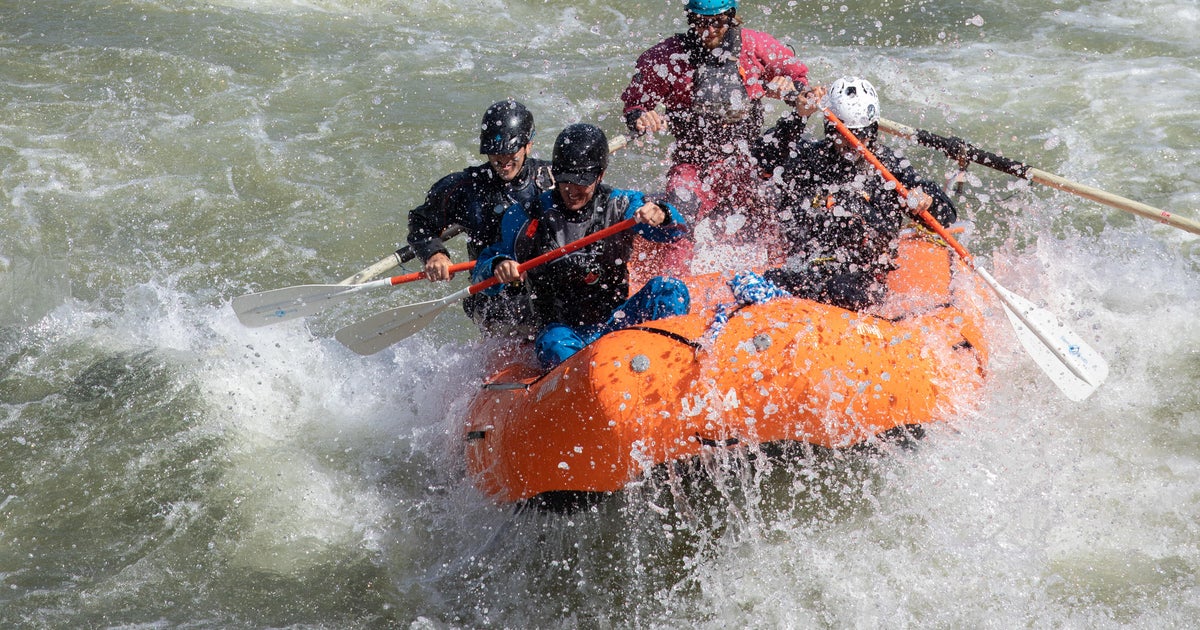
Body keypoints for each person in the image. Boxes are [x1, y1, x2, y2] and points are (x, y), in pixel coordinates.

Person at [474, 124, 691, 369]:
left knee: (669, 289)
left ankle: (670, 366)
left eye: (581, 181)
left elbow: (675, 233)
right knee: (554, 343)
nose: (571, 189)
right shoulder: (526, 215)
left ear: (600, 175)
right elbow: (484, 269)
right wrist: (499, 265)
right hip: (563, 333)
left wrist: (662, 214)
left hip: (617, 320)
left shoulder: (622, 204)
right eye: (565, 178)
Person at [620, 0, 821, 246]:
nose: (709, 30)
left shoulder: (755, 46)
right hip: (692, 163)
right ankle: (674, 275)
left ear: (731, 17)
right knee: (680, 212)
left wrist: (798, 92)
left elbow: (799, 78)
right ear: (690, 19)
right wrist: (640, 116)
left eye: (717, 22)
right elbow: (635, 102)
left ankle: (777, 267)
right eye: (701, 22)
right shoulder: (667, 57)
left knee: (772, 206)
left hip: (746, 160)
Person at [758, 76, 959, 310]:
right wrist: (798, 117)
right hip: (805, 267)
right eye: (843, 132)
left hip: (861, 279)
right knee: (777, 281)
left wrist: (927, 201)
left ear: (872, 131)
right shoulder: (808, 158)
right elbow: (764, 157)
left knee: (839, 289)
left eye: (860, 133)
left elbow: (946, 216)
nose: (852, 142)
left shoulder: (889, 168)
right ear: (829, 127)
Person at [405, 99, 554, 333]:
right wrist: (435, 254)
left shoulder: (553, 179)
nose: (503, 161)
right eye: (495, 153)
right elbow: (421, 223)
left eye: (510, 152)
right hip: (493, 297)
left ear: (529, 145)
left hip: (544, 283)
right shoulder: (465, 188)